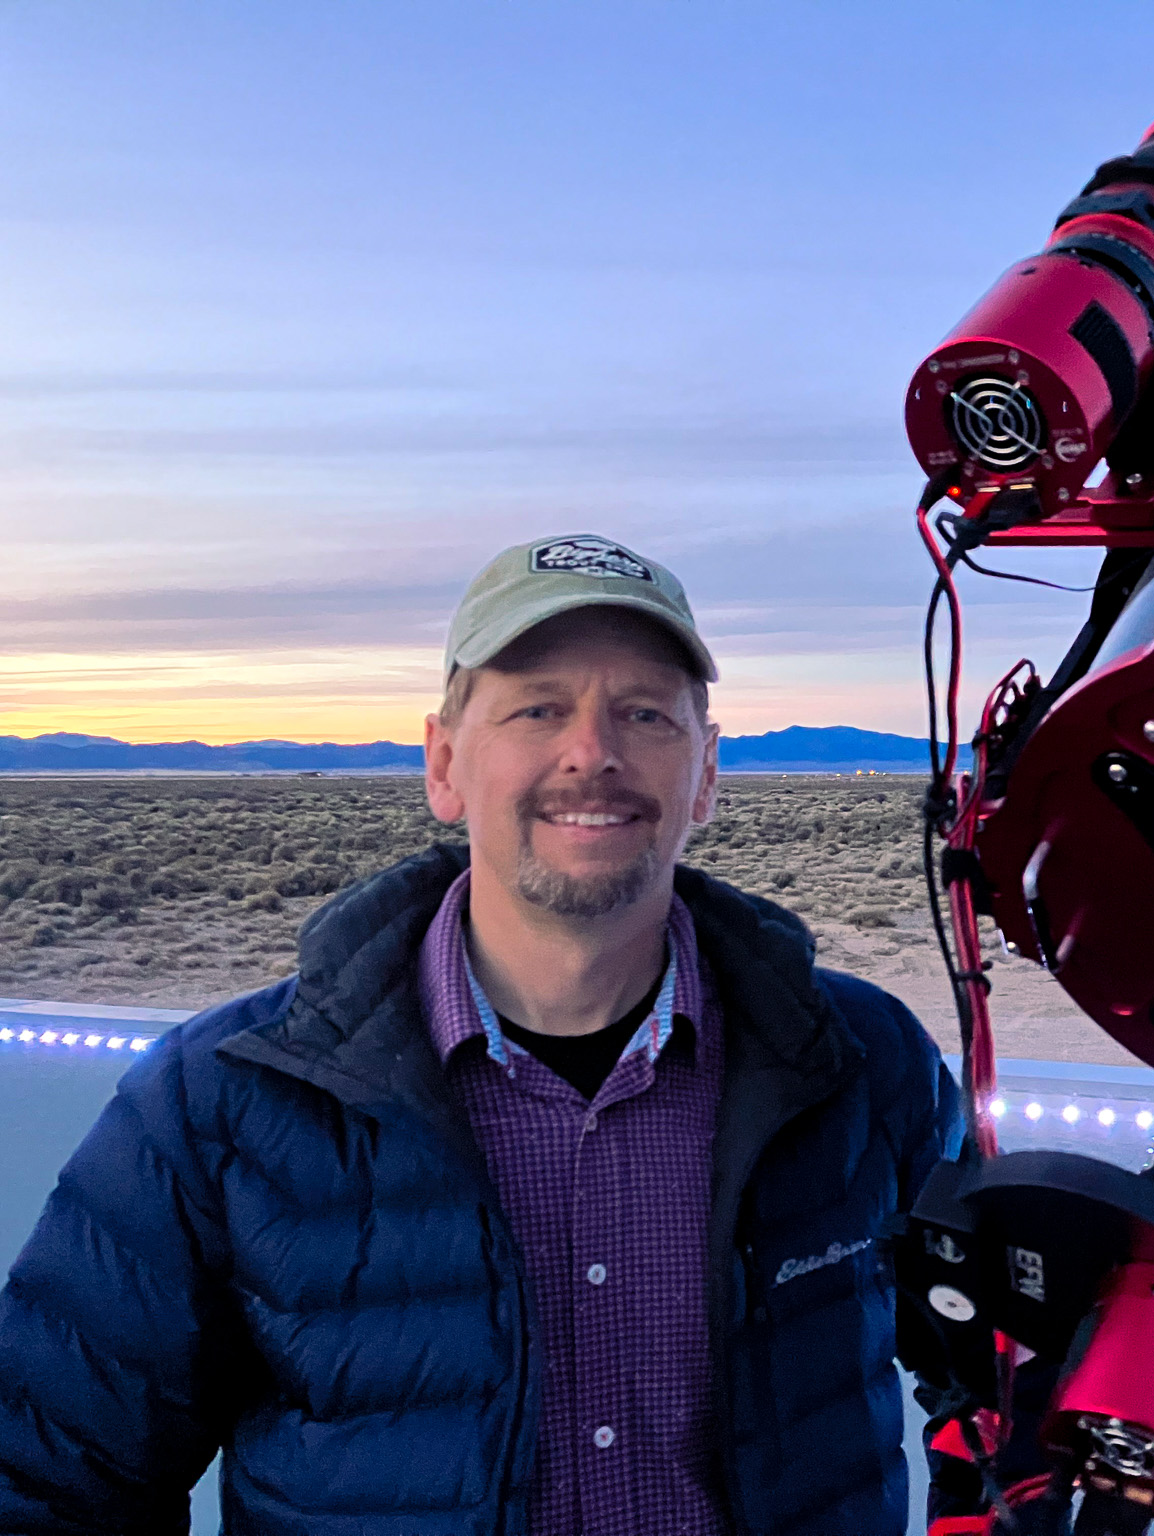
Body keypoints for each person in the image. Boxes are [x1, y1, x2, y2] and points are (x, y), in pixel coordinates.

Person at [0, 533, 962, 1535]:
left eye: (644, 713)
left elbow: (1007, 1394)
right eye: (537, 708)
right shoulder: (222, 1102)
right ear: (444, 764)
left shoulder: (860, 1064)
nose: (591, 753)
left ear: (707, 773)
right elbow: (43, 1481)